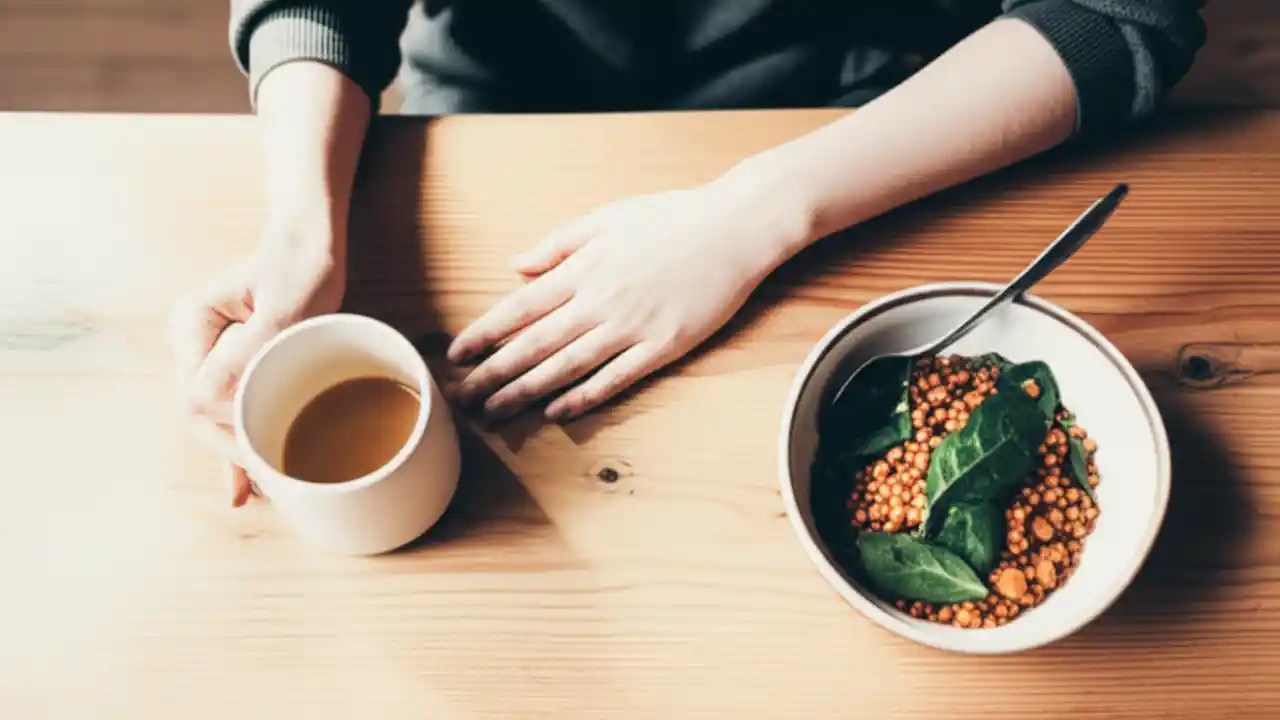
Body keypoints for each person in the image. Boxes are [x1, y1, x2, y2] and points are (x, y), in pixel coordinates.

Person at [173, 1, 1205, 506]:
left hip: (883, 124)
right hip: (494, 119)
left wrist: (752, 211)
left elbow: (1123, 18)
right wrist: (304, 232)